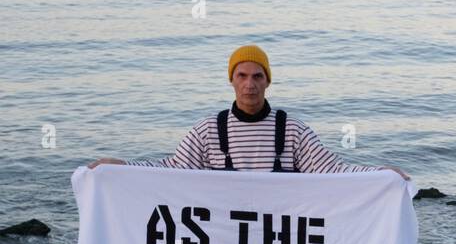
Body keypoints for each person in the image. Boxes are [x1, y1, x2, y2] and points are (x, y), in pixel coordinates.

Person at [87, 45, 408, 177]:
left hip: (280, 235)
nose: (250, 84)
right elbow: (171, 169)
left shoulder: (292, 130)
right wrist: (123, 167)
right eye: (242, 76)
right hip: (225, 236)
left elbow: (332, 171)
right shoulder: (208, 130)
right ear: (231, 81)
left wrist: (379, 175)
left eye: (257, 76)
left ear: (268, 81)